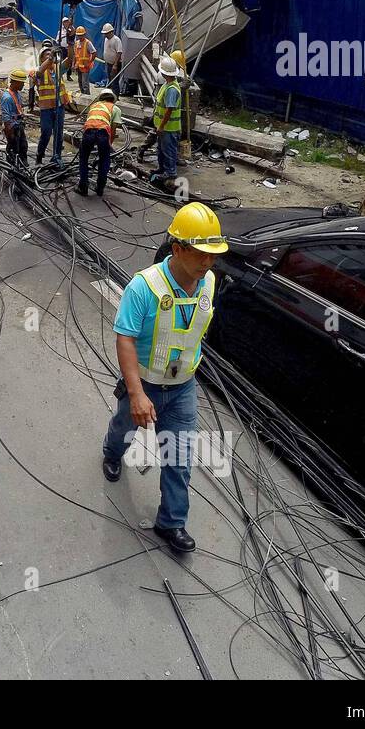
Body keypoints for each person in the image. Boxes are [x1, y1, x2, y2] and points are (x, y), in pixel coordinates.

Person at [101, 202, 230, 553]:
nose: (208, 263)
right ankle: (111, 454)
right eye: (202, 254)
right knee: (124, 428)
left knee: (179, 456)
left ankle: (171, 523)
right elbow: (125, 337)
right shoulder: (144, 287)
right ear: (178, 249)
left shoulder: (209, 283)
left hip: (183, 387)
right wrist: (136, 393)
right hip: (144, 385)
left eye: (213, 256)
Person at [76, 88, 121, 198]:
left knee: (84, 159)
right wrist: (109, 143)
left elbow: (90, 121)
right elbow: (113, 129)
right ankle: (100, 188)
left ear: (101, 97)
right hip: (103, 133)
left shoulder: (94, 105)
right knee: (104, 159)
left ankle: (83, 187)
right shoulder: (115, 108)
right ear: (112, 99)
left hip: (88, 131)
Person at [32, 43, 69, 166]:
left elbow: (70, 60)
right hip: (46, 109)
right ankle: (39, 156)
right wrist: (50, 57)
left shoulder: (58, 69)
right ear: (42, 58)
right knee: (46, 132)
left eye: (51, 54)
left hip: (59, 107)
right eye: (47, 55)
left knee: (59, 133)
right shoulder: (38, 71)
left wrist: (70, 44)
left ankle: (57, 156)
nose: (50, 57)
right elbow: (39, 73)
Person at [150, 53, 183, 189]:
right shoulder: (167, 84)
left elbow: (169, 109)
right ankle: (162, 169)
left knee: (169, 151)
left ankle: (171, 175)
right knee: (161, 150)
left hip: (169, 128)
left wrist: (161, 126)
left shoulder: (171, 89)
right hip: (164, 127)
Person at [1, 69, 29, 169]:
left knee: (23, 147)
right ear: (16, 82)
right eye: (21, 83)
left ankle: (23, 167)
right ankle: (12, 169)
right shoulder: (7, 98)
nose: (23, 85)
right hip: (12, 128)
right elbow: (6, 117)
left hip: (18, 126)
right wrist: (10, 133)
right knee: (13, 149)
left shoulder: (16, 94)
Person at [73, 26, 96, 95]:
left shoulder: (88, 43)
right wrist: (73, 64)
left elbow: (94, 53)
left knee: (85, 84)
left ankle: (87, 97)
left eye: (81, 35)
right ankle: (83, 94)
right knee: (80, 82)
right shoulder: (76, 43)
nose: (80, 37)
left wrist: (90, 62)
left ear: (84, 34)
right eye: (78, 35)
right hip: (79, 66)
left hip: (85, 67)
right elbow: (75, 55)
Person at [102, 23, 124, 94]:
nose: (105, 35)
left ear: (111, 32)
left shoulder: (116, 40)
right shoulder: (106, 39)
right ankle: (111, 95)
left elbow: (119, 52)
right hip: (109, 63)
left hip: (115, 64)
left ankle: (116, 96)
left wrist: (115, 65)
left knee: (115, 81)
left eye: (107, 33)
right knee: (110, 80)